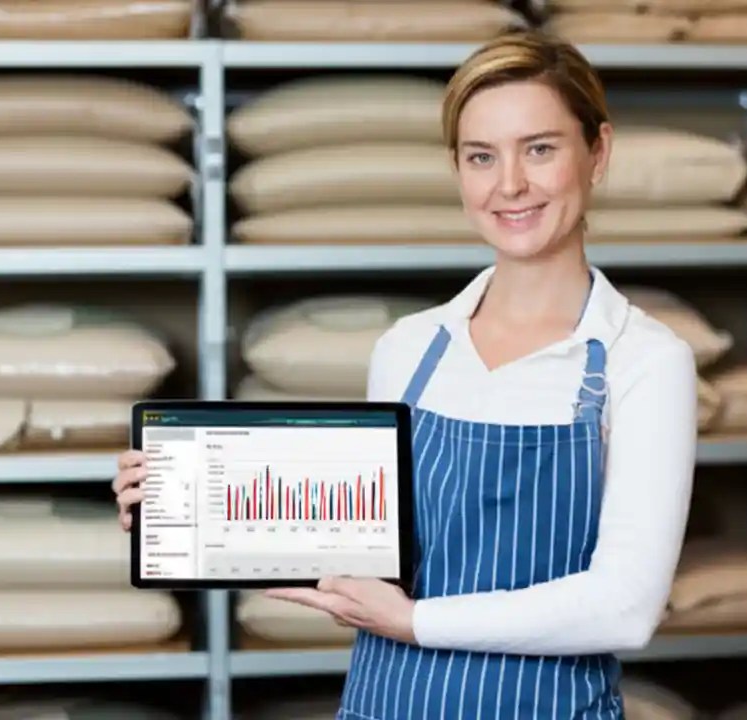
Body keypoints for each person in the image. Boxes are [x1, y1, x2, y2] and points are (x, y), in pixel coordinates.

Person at [113, 29, 698, 719]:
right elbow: (366, 548)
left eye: (539, 149)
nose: (510, 184)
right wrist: (179, 506)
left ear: (597, 154)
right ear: (457, 170)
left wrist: (415, 622)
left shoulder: (645, 361)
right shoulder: (410, 348)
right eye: (482, 157)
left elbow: (624, 609)